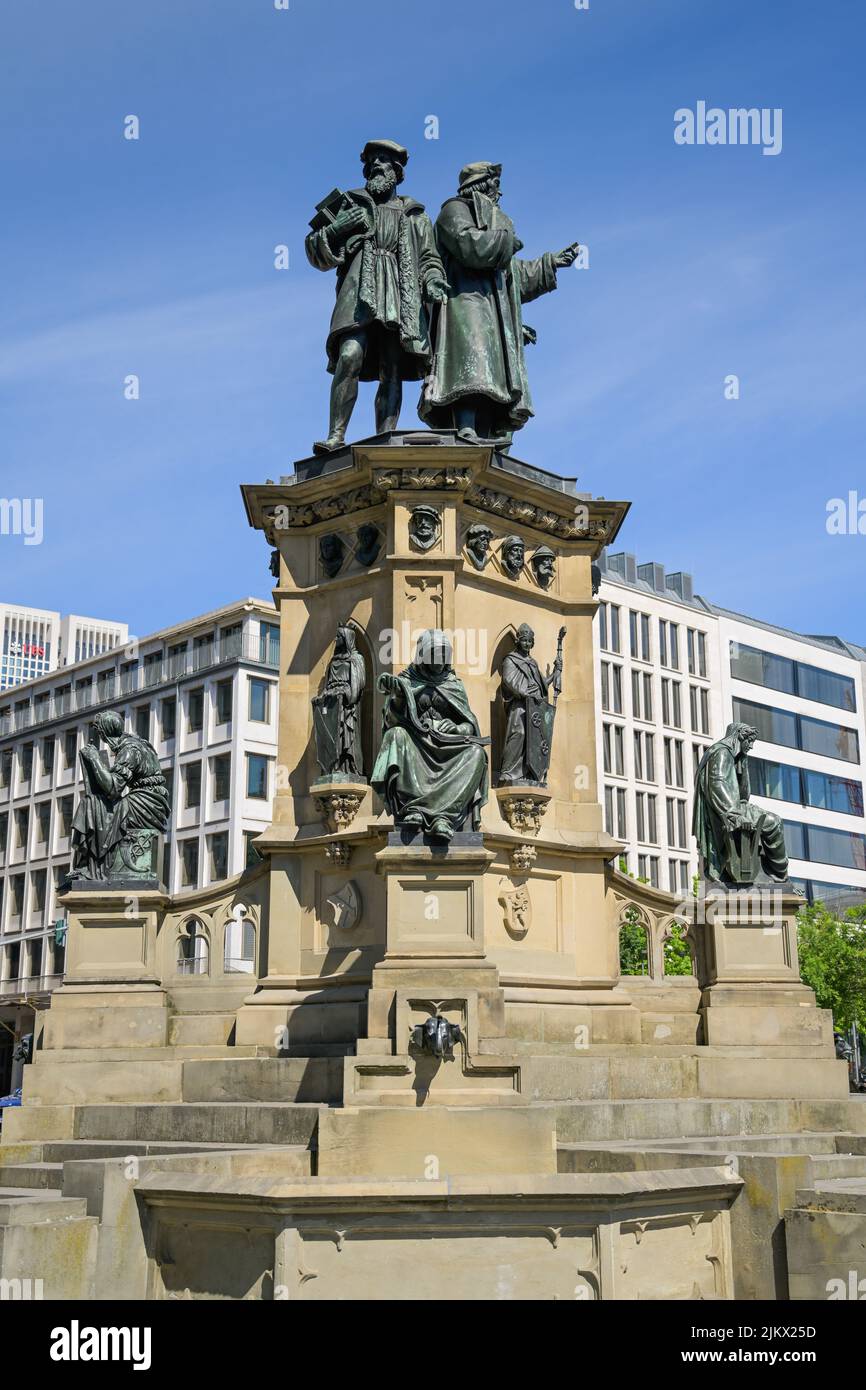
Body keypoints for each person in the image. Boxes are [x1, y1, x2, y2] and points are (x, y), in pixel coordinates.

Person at [419, 161, 579, 445]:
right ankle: (465, 428)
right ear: (482, 184)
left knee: (491, 375)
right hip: (463, 303)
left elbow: (511, 274)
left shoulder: (492, 222)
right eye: (496, 186)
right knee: (470, 370)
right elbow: (470, 246)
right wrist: (506, 241)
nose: (499, 194)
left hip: (490, 308)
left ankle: (484, 432)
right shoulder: (452, 211)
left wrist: (549, 264)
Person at [305, 139, 448, 453]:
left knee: (392, 367)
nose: (374, 167)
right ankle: (335, 436)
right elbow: (315, 250)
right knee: (349, 356)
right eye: (370, 162)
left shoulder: (414, 215)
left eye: (382, 162)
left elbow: (429, 258)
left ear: (396, 172)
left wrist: (434, 280)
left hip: (399, 292)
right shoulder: (349, 205)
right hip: (358, 293)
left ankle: (386, 437)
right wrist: (337, 228)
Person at [371, 630, 489, 841]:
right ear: (423, 655)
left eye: (443, 656)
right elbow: (392, 720)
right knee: (396, 735)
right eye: (434, 655)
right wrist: (397, 697)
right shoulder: (407, 681)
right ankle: (412, 809)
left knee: (477, 754)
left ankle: (444, 817)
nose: (439, 661)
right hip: (417, 742)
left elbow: (468, 723)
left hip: (448, 748)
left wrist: (459, 729)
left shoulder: (454, 684)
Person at [70, 711, 170, 881]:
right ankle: (89, 865)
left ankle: (91, 867)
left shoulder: (129, 749)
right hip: (148, 801)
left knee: (90, 805)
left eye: (100, 733)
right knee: (95, 806)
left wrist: (94, 759)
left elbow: (113, 788)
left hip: (146, 805)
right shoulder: (137, 743)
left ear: (103, 733)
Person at [693, 722, 789, 884]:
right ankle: (779, 875)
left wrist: (742, 762)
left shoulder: (734, 755)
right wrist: (735, 816)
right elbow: (718, 784)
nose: (751, 746)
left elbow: (744, 794)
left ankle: (775, 875)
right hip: (727, 811)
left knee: (773, 821)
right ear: (739, 737)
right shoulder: (722, 753)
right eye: (749, 741)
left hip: (735, 806)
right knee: (773, 823)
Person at [312, 626, 366, 778]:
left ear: (347, 638)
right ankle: (332, 767)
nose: (336, 640)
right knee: (332, 736)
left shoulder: (356, 660)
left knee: (346, 739)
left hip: (347, 709)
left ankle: (347, 767)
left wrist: (345, 692)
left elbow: (358, 685)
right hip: (333, 705)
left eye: (339, 636)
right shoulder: (333, 662)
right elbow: (327, 685)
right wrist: (323, 697)